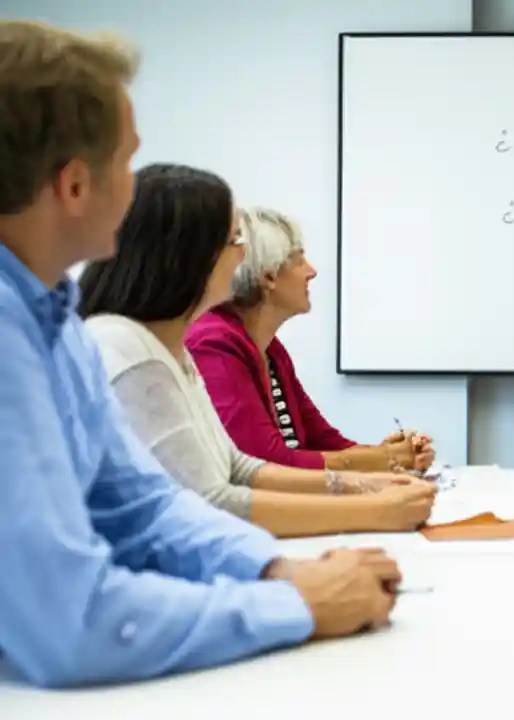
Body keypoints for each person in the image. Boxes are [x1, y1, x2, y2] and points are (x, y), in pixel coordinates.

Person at [0, 20, 400, 687]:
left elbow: (142, 505)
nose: (134, 189)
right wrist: (296, 604)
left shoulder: (56, 323)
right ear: (74, 187)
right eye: (126, 162)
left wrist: (276, 568)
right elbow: (71, 624)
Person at [79, 163, 437, 537]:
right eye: (235, 242)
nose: (242, 258)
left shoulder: (171, 349)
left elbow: (239, 468)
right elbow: (211, 501)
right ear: (191, 256)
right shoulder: (129, 348)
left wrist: (367, 483)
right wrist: (370, 508)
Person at [186, 207, 432, 472]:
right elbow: (265, 463)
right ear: (268, 276)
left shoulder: (271, 350)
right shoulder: (212, 342)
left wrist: (387, 455)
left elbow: (323, 441)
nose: (312, 271)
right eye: (298, 258)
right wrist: (384, 459)